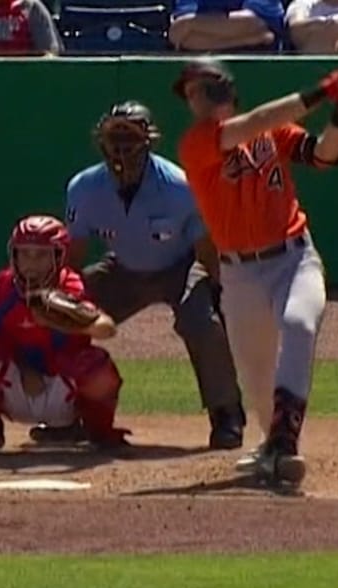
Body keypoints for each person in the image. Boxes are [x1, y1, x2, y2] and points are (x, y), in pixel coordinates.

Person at [171, 60, 338, 491]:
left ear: (220, 89)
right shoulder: (198, 142)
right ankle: (272, 449)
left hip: (293, 258)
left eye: (195, 90)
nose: (192, 100)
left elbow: (323, 154)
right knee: (258, 385)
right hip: (238, 274)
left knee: (298, 323)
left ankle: (283, 440)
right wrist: (321, 93)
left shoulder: (272, 133)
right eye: (188, 94)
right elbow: (257, 120)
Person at [55, 101, 245, 452]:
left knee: (200, 321)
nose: (122, 149)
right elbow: (74, 253)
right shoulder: (84, 187)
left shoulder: (179, 187)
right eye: (115, 138)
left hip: (181, 265)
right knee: (63, 314)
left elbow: (206, 248)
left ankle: (227, 413)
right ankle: (67, 412)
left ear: (149, 141)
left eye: (130, 138)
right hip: (124, 268)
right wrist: (65, 297)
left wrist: (220, 290)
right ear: (101, 142)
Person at [0, 214, 128, 454]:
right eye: (25, 254)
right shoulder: (2, 290)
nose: (31, 263)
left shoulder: (71, 288)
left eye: (41, 255)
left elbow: (107, 328)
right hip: (14, 387)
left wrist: (64, 321)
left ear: (58, 256)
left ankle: (99, 434)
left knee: (96, 365)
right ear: (14, 255)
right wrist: (26, 369)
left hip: (63, 390)